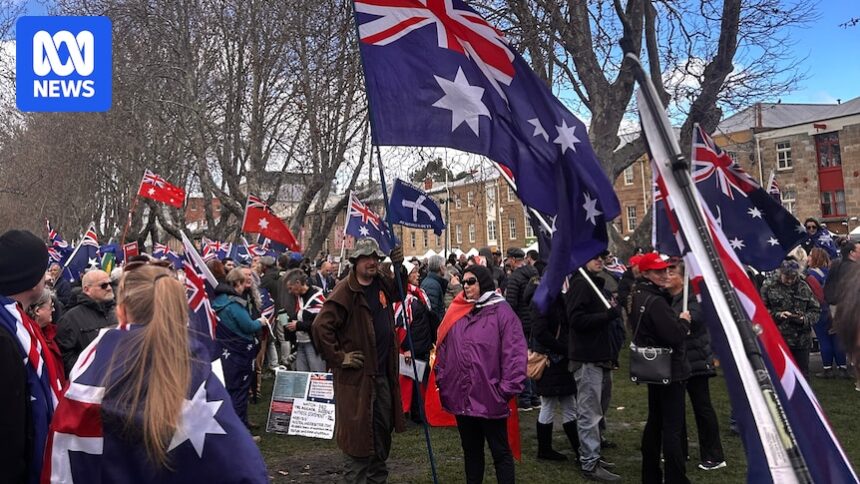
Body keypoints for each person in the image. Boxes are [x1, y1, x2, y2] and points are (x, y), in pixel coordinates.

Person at [44, 264, 268, 482]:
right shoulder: (190, 362)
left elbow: (64, 453)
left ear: (120, 311)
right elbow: (241, 465)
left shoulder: (93, 360)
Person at [312, 238, 407, 483]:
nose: (372, 262)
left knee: (381, 438)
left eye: (375, 257)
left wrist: (399, 267)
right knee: (358, 441)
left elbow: (399, 292)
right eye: (367, 258)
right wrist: (339, 357)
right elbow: (321, 327)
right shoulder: (346, 290)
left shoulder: (381, 282)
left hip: (382, 376)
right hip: (357, 382)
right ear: (356, 261)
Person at [434, 265, 527, 484]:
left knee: (500, 452)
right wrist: (443, 378)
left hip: (490, 397)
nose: (465, 286)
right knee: (471, 451)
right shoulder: (458, 311)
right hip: (462, 398)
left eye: (471, 281)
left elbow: (515, 355)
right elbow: (444, 348)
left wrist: (504, 391)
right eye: (463, 282)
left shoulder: (502, 312)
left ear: (483, 283)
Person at [0, 230, 63, 484]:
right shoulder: (5, 339)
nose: (48, 277)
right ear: (30, 278)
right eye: (43, 269)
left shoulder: (21, 326)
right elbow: (8, 429)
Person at [630, 253, 691, 484]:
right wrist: (683, 321)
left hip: (653, 367)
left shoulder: (639, 294)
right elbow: (674, 335)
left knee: (655, 422)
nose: (665, 274)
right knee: (672, 428)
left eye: (666, 270)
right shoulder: (655, 301)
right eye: (658, 271)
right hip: (669, 369)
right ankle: (675, 478)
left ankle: (650, 475)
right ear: (646, 273)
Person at [564, 254, 623, 482]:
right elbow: (576, 320)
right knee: (589, 412)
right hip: (587, 357)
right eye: (594, 257)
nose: (600, 260)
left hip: (599, 355)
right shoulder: (581, 284)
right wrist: (606, 315)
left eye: (602, 257)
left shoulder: (593, 283)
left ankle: (593, 455)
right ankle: (589, 461)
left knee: (597, 408)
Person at [665, 261, 725, 471]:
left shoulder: (692, 299)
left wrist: (682, 321)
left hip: (695, 362)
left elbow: (695, 320)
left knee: (702, 408)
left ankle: (714, 455)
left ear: (683, 279)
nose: (666, 275)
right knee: (676, 409)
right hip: (677, 363)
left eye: (671, 272)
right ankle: (679, 452)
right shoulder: (667, 299)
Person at [211, 268, 269, 428]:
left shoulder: (219, 301)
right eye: (244, 282)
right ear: (237, 283)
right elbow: (248, 326)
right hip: (239, 352)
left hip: (226, 352)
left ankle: (238, 422)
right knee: (239, 391)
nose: (245, 286)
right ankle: (239, 427)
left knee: (232, 389)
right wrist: (260, 322)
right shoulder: (233, 304)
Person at [530, 296, 577, 461]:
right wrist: (564, 348)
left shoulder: (554, 300)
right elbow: (541, 332)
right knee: (550, 404)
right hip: (552, 360)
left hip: (558, 361)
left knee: (566, 403)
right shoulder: (544, 302)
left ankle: (579, 449)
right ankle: (547, 449)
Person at [761, 260, 819, 378]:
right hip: (778, 339)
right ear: (781, 273)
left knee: (802, 375)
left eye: (793, 277)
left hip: (801, 341)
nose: (790, 280)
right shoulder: (769, 286)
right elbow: (761, 311)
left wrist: (804, 319)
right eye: (787, 277)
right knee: (779, 375)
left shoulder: (803, 287)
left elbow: (815, 310)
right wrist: (777, 315)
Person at [56, 269, 118, 377]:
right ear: (87, 289)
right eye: (103, 285)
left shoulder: (121, 311)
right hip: (93, 381)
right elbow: (65, 357)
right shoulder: (70, 319)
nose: (109, 288)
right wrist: (91, 371)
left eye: (110, 284)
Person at [395, 261, 435, 424]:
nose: (418, 275)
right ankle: (417, 414)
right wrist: (407, 347)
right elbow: (402, 327)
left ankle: (419, 412)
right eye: (414, 273)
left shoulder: (418, 295)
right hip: (413, 347)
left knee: (419, 381)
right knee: (415, 382)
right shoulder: (406, 299)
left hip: (420, 345)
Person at [504, 247, 540, 410]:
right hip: (534, 321)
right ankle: (535, 397)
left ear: (513, 260)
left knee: (522, 360)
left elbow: (511, 304)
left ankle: (525, 398)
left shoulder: (515, 278)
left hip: (520, 323)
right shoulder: (535, 274)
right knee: (534, 358)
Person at [806, 248, 847, 379]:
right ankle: (842, 367)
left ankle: (827, 369)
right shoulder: (831, 271)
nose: (808, 258)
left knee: (824, 339)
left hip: (821, 309)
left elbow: (818, 295)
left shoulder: (811, 274)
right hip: (837, 307)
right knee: (837, 339)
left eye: (810, 255)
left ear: (815, 258)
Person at [283, 269, 327, 372]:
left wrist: (298, 325)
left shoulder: (317, 298)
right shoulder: (299, 298)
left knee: (316, 375)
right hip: (300, 343)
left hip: (314, 344)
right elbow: (299, 316)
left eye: (290, 288)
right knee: (301, 376)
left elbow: (320, 324)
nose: (290, 292)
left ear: (298, 283)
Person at [26, 288, 66, 388]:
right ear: (37, 311)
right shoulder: (30, 341)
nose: (54, 310)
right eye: (51, 306)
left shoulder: (49, 334)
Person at [420, 255, 448, 324]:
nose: (446, 268)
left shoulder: (432, 282)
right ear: (441, 267)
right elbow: (433, 314)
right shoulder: (432, 285)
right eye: (444, 266)